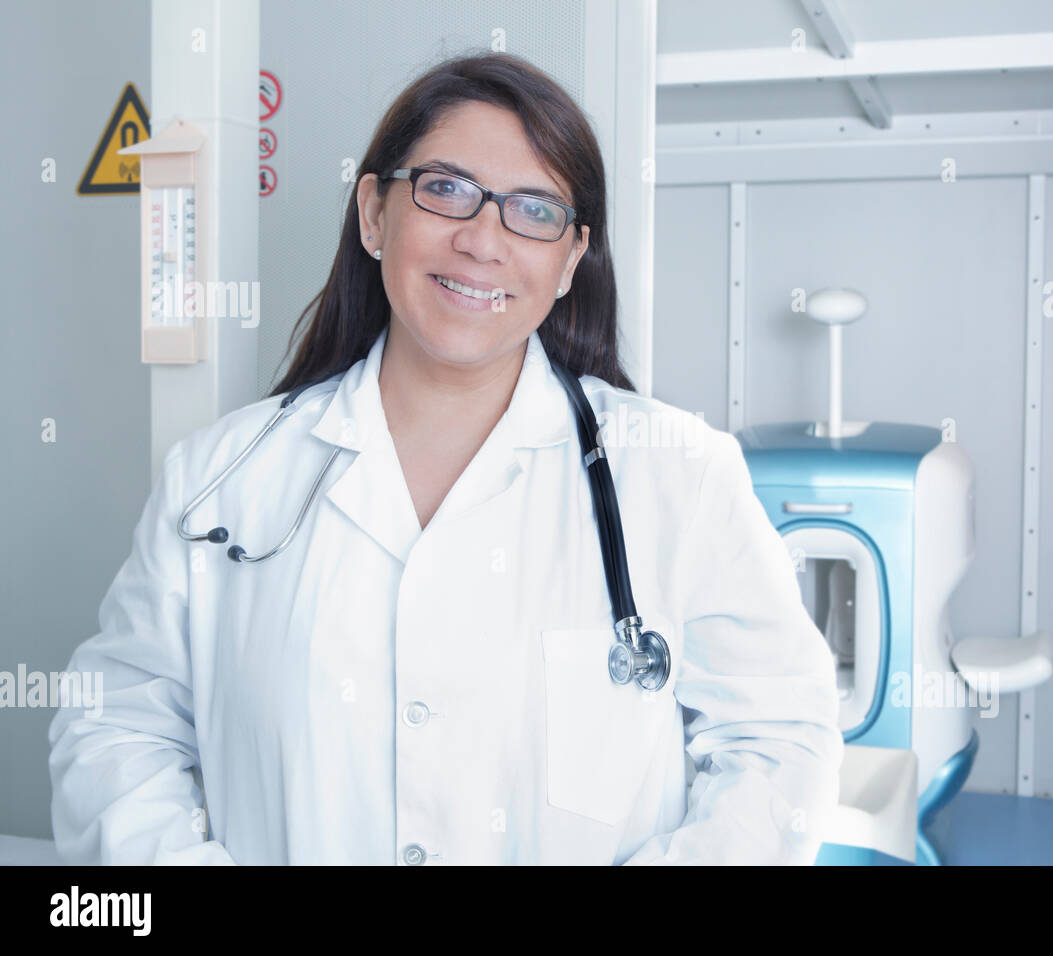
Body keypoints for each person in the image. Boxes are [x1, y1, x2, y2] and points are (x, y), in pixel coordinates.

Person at [48, 52, 844, 865]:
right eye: (446, 188)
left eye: (534, 210)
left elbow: (780, 744)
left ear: (570, 260)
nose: (482, 239)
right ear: (373, 214)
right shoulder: (220, 477)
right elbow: (115, 726)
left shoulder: (677, 473)